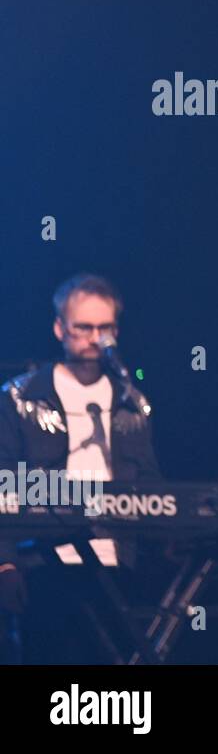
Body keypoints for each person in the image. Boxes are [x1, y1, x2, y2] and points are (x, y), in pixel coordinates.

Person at [0, 273, 161, 663]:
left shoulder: (131, 402)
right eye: (83, 327)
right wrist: (5, 561)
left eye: (104, 328)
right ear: (60, 328)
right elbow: (3, 481)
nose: (94, 338)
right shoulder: (20, 397)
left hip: (117, 561)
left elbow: (153, 485)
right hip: (44, 560)